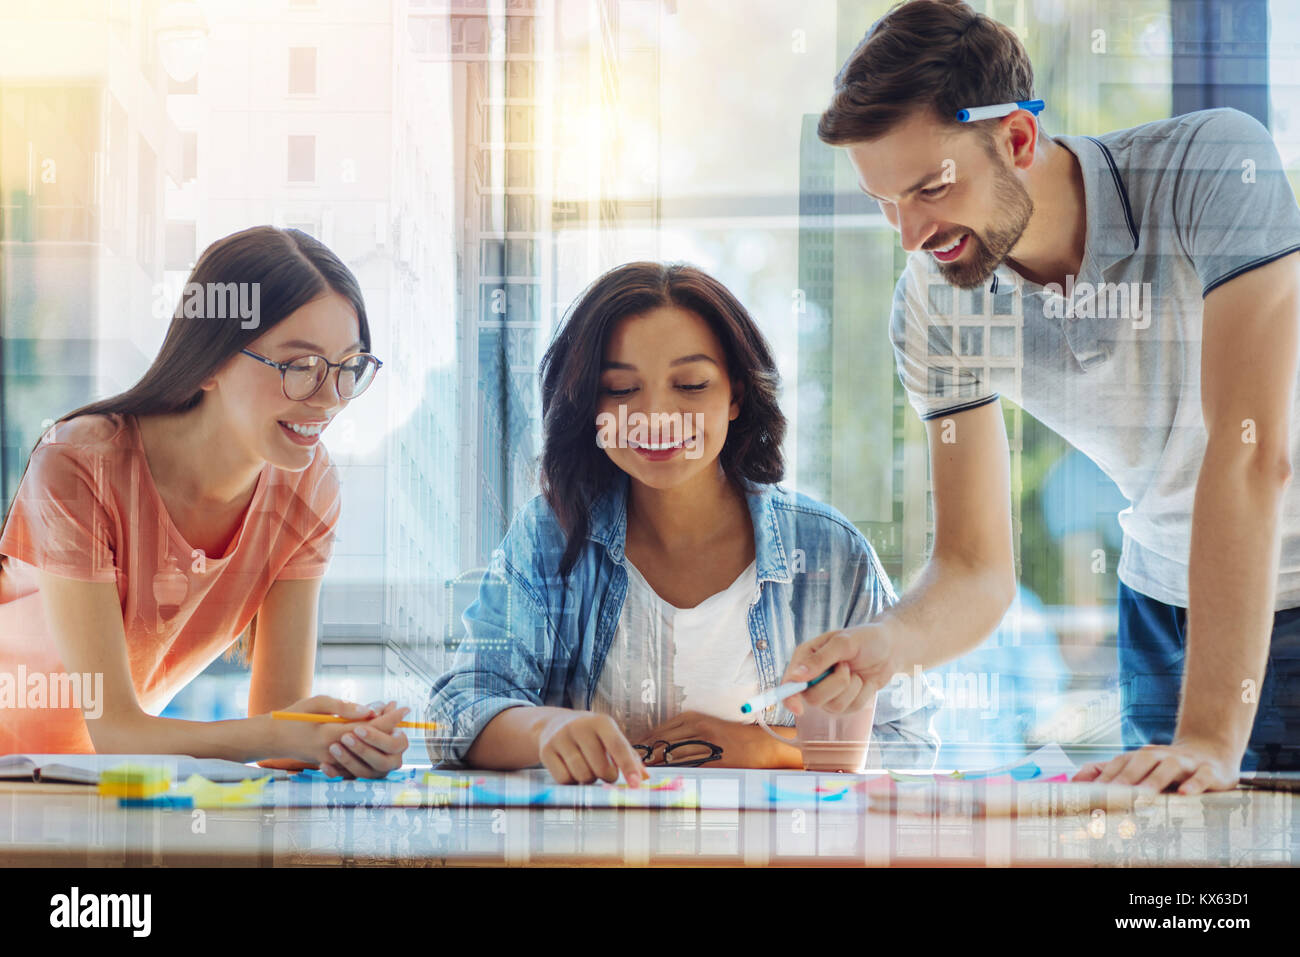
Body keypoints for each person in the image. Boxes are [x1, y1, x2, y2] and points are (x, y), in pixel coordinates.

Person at [781, 0, 1300, 793]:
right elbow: (973, 567)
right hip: (1164, 609)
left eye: (929, 189)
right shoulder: (936, 304)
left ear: (1018, 138)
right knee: (1178, 894)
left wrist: (1205, 734)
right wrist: (888, 642)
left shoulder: (1214, 167)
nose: (910, 235)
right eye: (884, 203)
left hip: (1280, 577)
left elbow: (1250, 453)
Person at [427, 262, 940, 785]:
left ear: (736, 395)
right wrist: (546, 729)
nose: (655, 416)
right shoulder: (549, 535)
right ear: (590, 407)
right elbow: (455, 713)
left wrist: (765, 749)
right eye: (622, 390)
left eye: (690, 385)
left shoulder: (830, 554)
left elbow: (911, 742)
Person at [0, 225, 410, 778]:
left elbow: (277, 741)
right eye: (301, 367)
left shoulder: (307, 487)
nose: (329, 399)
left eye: (347, 368)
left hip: (94, 792)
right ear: (211, 360)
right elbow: (115, 729)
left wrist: (340, 740)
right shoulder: (78, 465)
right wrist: (289, 730)